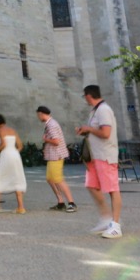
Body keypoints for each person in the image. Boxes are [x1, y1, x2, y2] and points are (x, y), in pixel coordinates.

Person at [76, 85, 122, 239]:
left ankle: (115, 225)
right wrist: (86, 130)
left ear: (89, 95)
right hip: (95, 157)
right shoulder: (95, 111)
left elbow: (105, 133)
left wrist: (89, 129)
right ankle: (106, 218)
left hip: (105, 155)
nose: (85, 99)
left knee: (112, 189)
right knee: (91, 185)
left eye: (85, 96)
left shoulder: (104, 110)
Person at [0, 113, 27, 213]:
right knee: (17, 178)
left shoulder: (0, 130)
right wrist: (15, 152)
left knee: (0, 176)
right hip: (15, 155)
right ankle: (21, 207)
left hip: (6, 155)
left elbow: (3, 144)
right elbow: (20, 145)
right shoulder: (12, 130)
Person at [39, 107, 75, 212]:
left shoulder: (52, 125)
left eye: (38, 115)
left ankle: (71, 203)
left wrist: (46, 140)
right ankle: (60, 202)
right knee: (50, 179)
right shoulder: (50, 124)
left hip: (56, 155)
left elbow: (56, 141)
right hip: (52, 156)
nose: (38, 117)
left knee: (58, 179)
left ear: (41, 114)